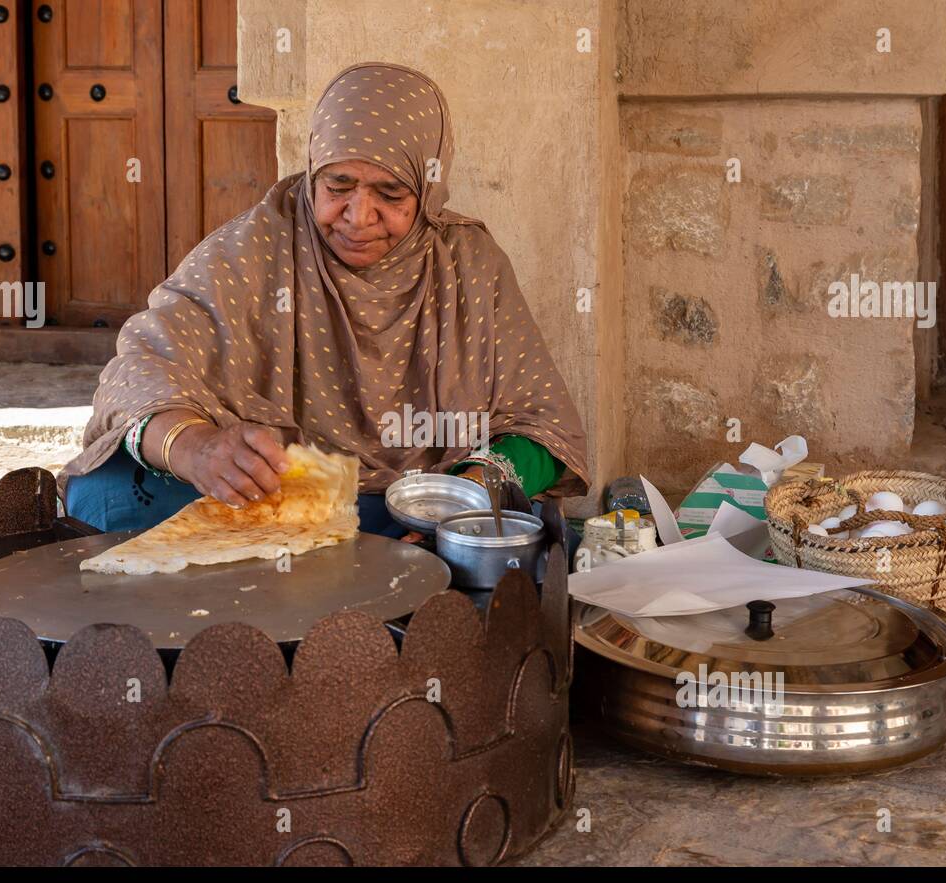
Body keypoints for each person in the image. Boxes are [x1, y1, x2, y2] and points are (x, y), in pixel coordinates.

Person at [61, 62, 588, 538]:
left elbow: (542, 427)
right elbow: (138, 374)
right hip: (269, 506)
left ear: (429, 189)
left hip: (407, 513)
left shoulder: (468, 265)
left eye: (390, 194)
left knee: (521, 540)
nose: (358, 217)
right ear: (313, 169)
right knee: (106, 492)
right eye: (338, 185)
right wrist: (198, 447)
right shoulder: (253, 248)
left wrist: (463, 496)